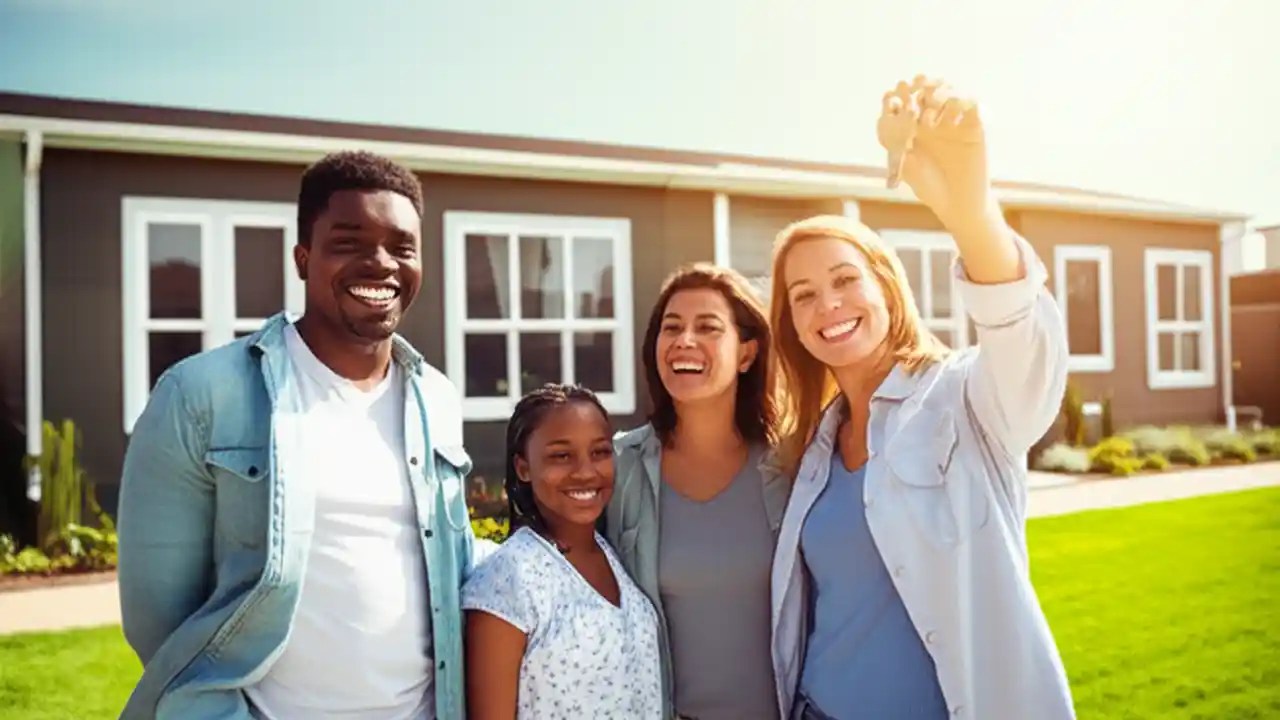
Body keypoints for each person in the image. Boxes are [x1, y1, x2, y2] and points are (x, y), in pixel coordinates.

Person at [116, 150, 477, 720]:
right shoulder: (200, 394)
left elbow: (453, 566)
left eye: (401, 246)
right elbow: (158, 621)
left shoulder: (437, 397)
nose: (379, 264)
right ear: (303, 258)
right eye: (349, 242)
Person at [767, 76, 1075, 720]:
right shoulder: (812, 449)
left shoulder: (963, 399)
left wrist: (969, 210)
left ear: (887, 287)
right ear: (791, 322)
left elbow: (1021, 337)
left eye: (845, 280)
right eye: (803, 295)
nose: (827, 305)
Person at [606, 263, 787, 720]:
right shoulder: (620, 468)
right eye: (672, 328)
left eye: (707, 327)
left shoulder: (793, 467)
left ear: (746, 355)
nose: (684, 340)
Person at [462, 383, 663, 720]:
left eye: (599, 452)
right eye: (561, 456)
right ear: (524, 468)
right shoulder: (508, 577)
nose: (585, 471)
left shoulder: (613, 555)